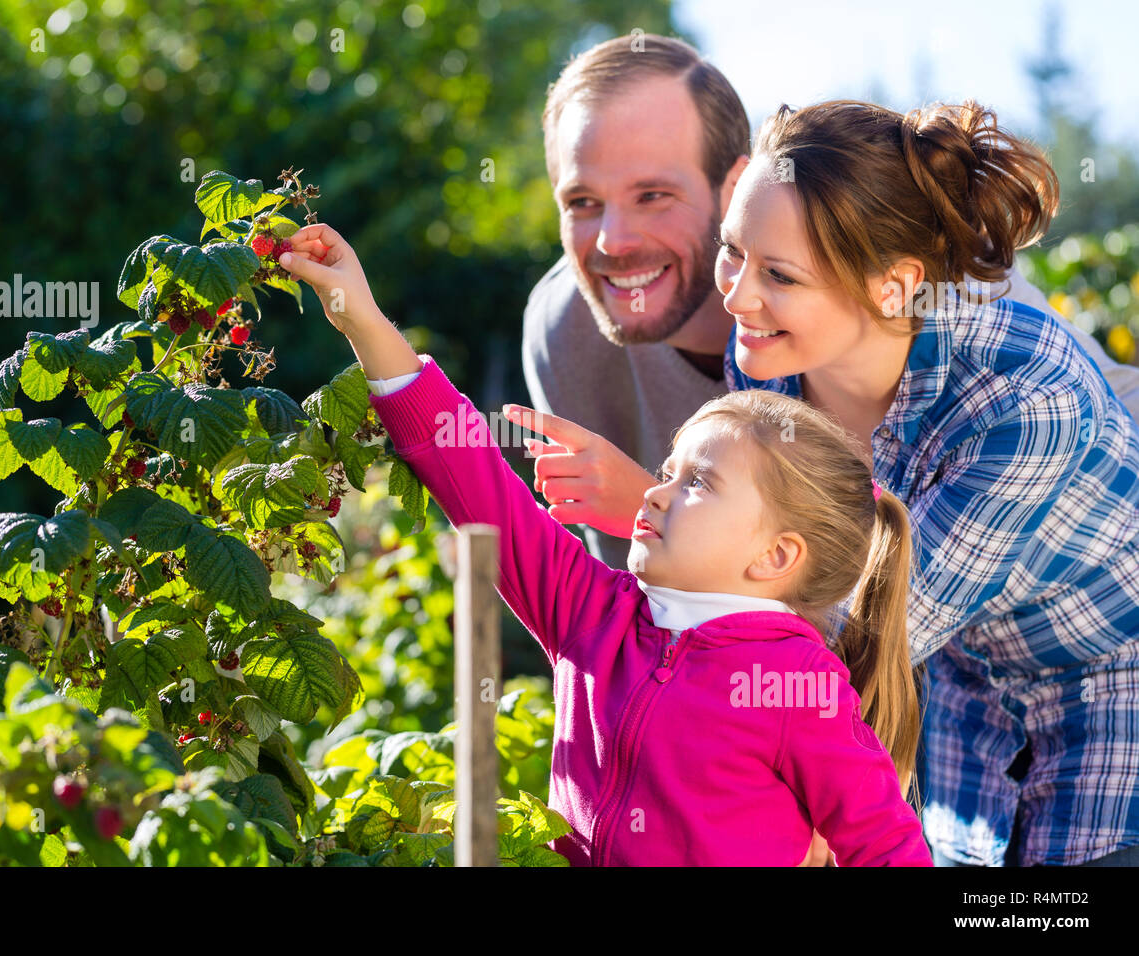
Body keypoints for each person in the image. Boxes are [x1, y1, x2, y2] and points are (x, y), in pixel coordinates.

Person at [528, 97, 1139, 868]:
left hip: (1108, 698)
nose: (738, 297)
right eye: (732, 252)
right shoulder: (769, 357)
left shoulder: (1024, 400)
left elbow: (863, 626)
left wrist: (649, 507)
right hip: (961, 707)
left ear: (894, 285)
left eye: (779, 274)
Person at [274, 223, 933, 866]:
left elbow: (886, 845)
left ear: (775, 556)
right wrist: (359, 315)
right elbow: (473, 477)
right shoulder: (590, 611)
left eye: (697, 483)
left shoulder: (794, 683)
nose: (655, 492)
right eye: (669, 471)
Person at [520, 33, 1139, 573]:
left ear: (735, 186)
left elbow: (876, 620)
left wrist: (653, 506)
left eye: (652, 194)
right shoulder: (570, 330)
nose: (612, 241)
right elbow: (637, 594)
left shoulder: (957, 300)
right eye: (580, 201)